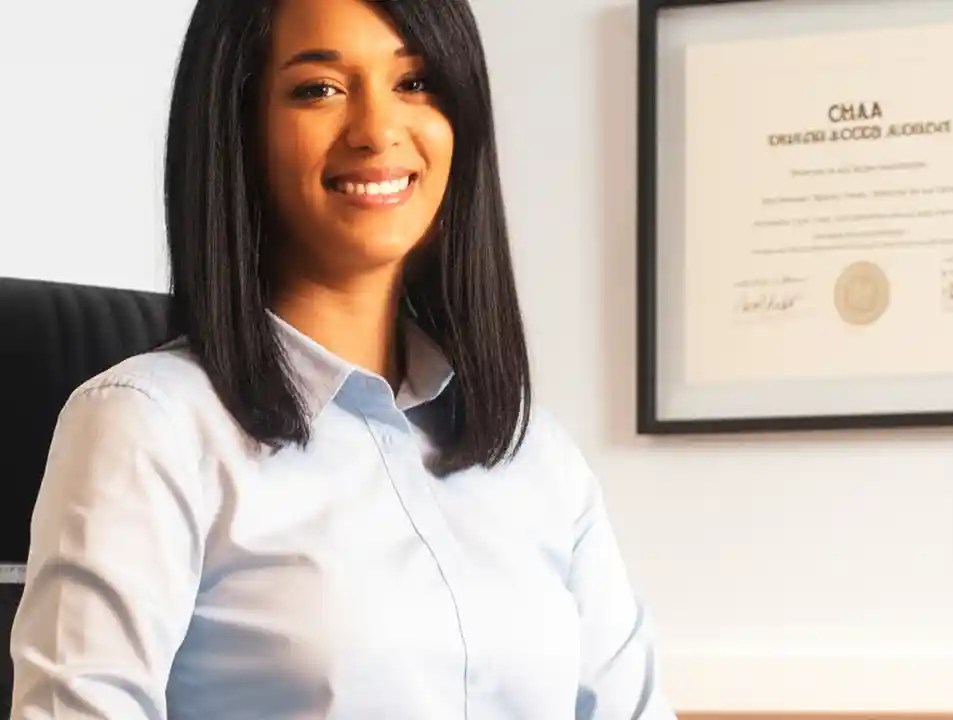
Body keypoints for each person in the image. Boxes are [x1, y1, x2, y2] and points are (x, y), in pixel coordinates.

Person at [8, 0, 674, 717]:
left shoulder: (534, 456)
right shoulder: (150, 429)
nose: (378, 130)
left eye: (416, 83)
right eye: (319, 89)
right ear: (240, 126)